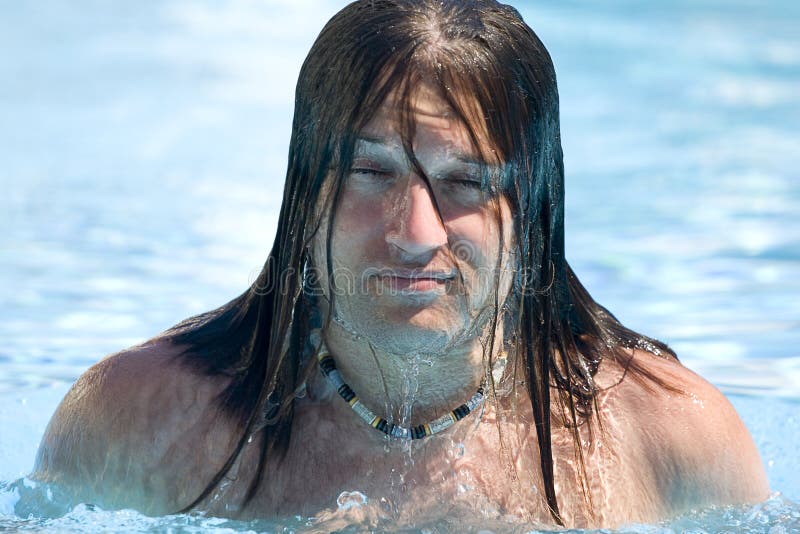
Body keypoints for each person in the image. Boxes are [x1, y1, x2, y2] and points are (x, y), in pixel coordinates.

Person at [32, 0, 768, 529]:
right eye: (371, 171)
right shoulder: (132, 423)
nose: (415, 233)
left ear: (534, 211)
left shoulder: (671, 440)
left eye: (465, 182)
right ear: (306, 195)